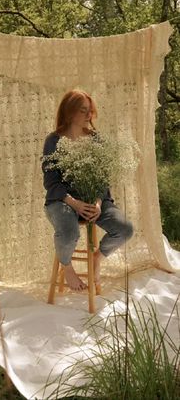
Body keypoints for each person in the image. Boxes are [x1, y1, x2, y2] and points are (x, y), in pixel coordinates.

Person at [42, 89, 133, 291]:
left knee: (125, 229)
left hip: (95, 201)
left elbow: (102, 179)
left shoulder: (96, 139)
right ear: (69, 112)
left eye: (90, 110)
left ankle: (96, 259)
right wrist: (74, 203)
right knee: (68, 232)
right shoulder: (53, 141)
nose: (89, 115)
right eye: (84, 110)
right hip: (62, 201)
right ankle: (68, 269)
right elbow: (51, 182)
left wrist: (98, 203)